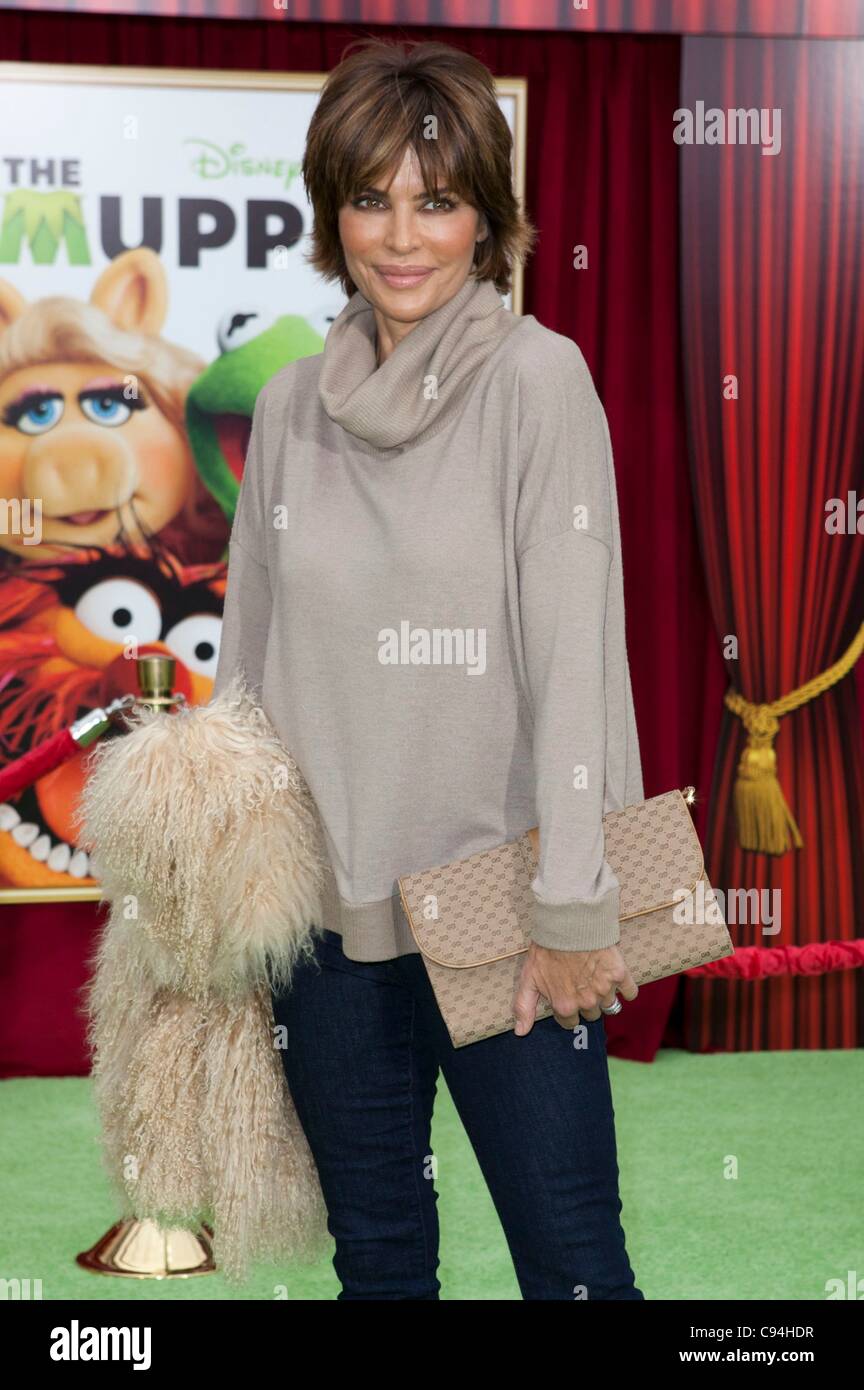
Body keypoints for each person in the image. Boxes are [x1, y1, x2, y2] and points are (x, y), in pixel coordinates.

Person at [213, 36, 645, 1301]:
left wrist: (572, 912)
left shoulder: (537, 381)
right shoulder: (290, 406)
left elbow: (575, 659)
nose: (402, 237)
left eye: (437, 201)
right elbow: (250, 661)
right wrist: (238, 890)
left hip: (507, 904)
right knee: (381, 1265)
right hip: (322, 922)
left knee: (573, 1266)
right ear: (331, 212)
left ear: (487, 219)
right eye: (370, 198)